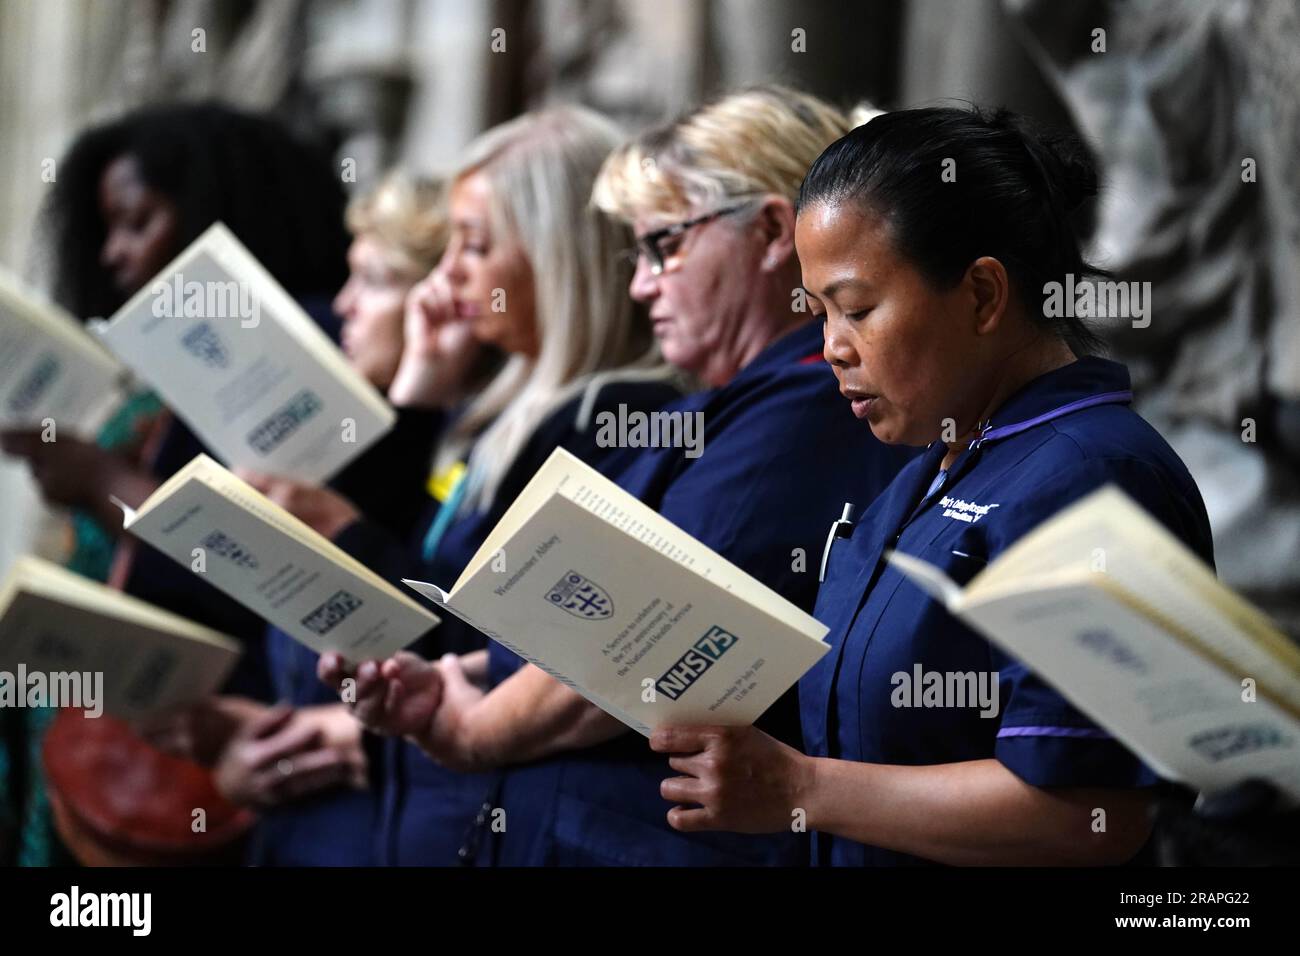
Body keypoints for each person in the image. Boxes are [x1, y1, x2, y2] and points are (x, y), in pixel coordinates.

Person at [321, 87, 915, 866]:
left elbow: (642, 639)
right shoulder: (735, 401)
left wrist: (467, 729)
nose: (641, 285)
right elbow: (572, 630)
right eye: (635, 254)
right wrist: (449, 677)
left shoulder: (808, 404)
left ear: (771, 231)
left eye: (664, 246)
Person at [645, 106, 1217, 866]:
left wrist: (801, 789)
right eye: (817, 314)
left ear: (983, 295)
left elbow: (1094, 812)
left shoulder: (1094, 476)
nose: (833, 350)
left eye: (856, 309)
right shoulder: (931, 467)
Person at [252, 106, 682, 865]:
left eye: (475, 245)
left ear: (558, 259)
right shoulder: (507, 414)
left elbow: (475, 630)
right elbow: (435, 562)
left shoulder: (612, 416)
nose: (447, 275)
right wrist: (417, 396)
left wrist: (340, 529)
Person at [0, 102, 350, 866]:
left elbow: (261, 562)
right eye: (107, 231)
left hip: (217, 757)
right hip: (84, 745)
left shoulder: (292, 364)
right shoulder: (139, 389)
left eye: (140, 221)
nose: (118, 254)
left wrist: (99, 477)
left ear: (219, 219)